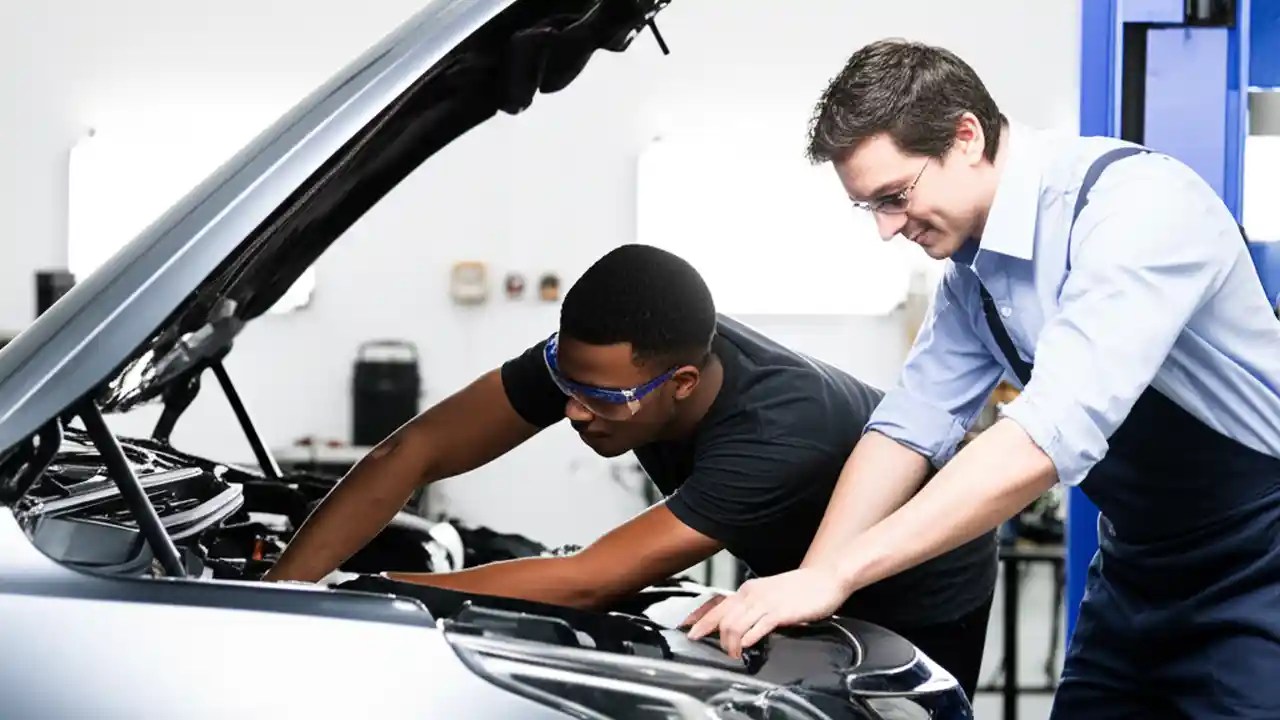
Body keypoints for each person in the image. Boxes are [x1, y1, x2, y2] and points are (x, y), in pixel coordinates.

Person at [685, 37, 1280, 718]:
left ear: (966, 137)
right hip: (1137, 569)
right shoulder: (973, 278)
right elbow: (905, 431)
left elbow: (1046, 435)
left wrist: (841, 574)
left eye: (894, 196)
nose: (886, 229)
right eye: (869, 207)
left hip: (1260, 564)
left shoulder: (1136, 207)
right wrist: (807, 582)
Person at [265, 243, 997, 696]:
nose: (573, 411)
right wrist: (281, 591)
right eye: (565, 381)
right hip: (793, 558)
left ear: (682, 383)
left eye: (600, 399)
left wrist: (371, 592)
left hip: (919, 578)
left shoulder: (775, 430)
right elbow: (412, 450)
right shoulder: (602, 367)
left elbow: (593, 579)